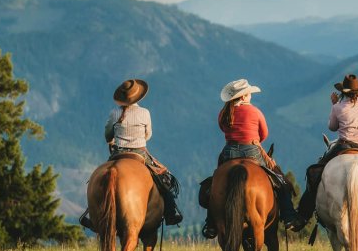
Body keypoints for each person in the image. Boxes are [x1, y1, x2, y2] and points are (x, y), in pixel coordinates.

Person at [290, 74, 358, 231]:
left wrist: (335, 106)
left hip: (343, 146)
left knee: (315, 173)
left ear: (343, 92)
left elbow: (332, 127)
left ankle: (302, 216)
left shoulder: (337, 107)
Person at [199, 78, 299, 239]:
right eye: (249, 93)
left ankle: (211, 223)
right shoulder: (255, 111)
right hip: (252, 150)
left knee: (214, 185)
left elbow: (223, 128)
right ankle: (289, 217)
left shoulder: (224, 112)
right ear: (244, 96)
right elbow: (264, 134)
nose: (250, 96)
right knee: (279, 181)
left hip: (229, 151)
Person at [79, 79, 183, 229]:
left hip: (118, 153)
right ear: (138, 96)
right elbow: (148, 135)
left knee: (101, 179)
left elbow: (108, 135)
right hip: (140, 153)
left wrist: (113, 139)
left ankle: (92, 214)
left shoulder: (114, 113)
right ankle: (171, 213)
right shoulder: (144, 113)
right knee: (163, 179)